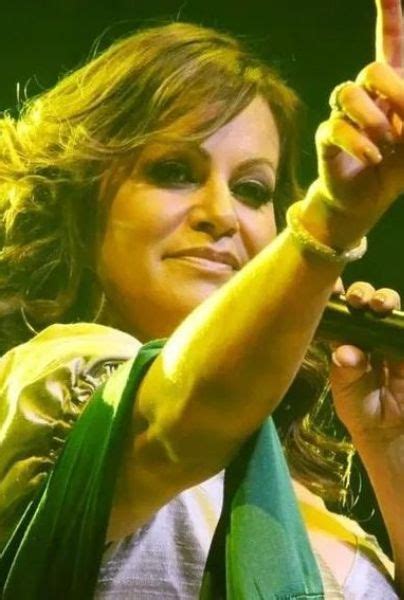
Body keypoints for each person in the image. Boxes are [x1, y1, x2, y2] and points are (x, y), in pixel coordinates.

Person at [1, 0, 404, 597]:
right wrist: (334, 217)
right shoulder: (46, 385)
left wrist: (389, 449)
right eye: (173, 171)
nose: (222, 215)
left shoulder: (323, 520)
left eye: (252, 189)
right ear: (79, 203)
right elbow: (180, 420)